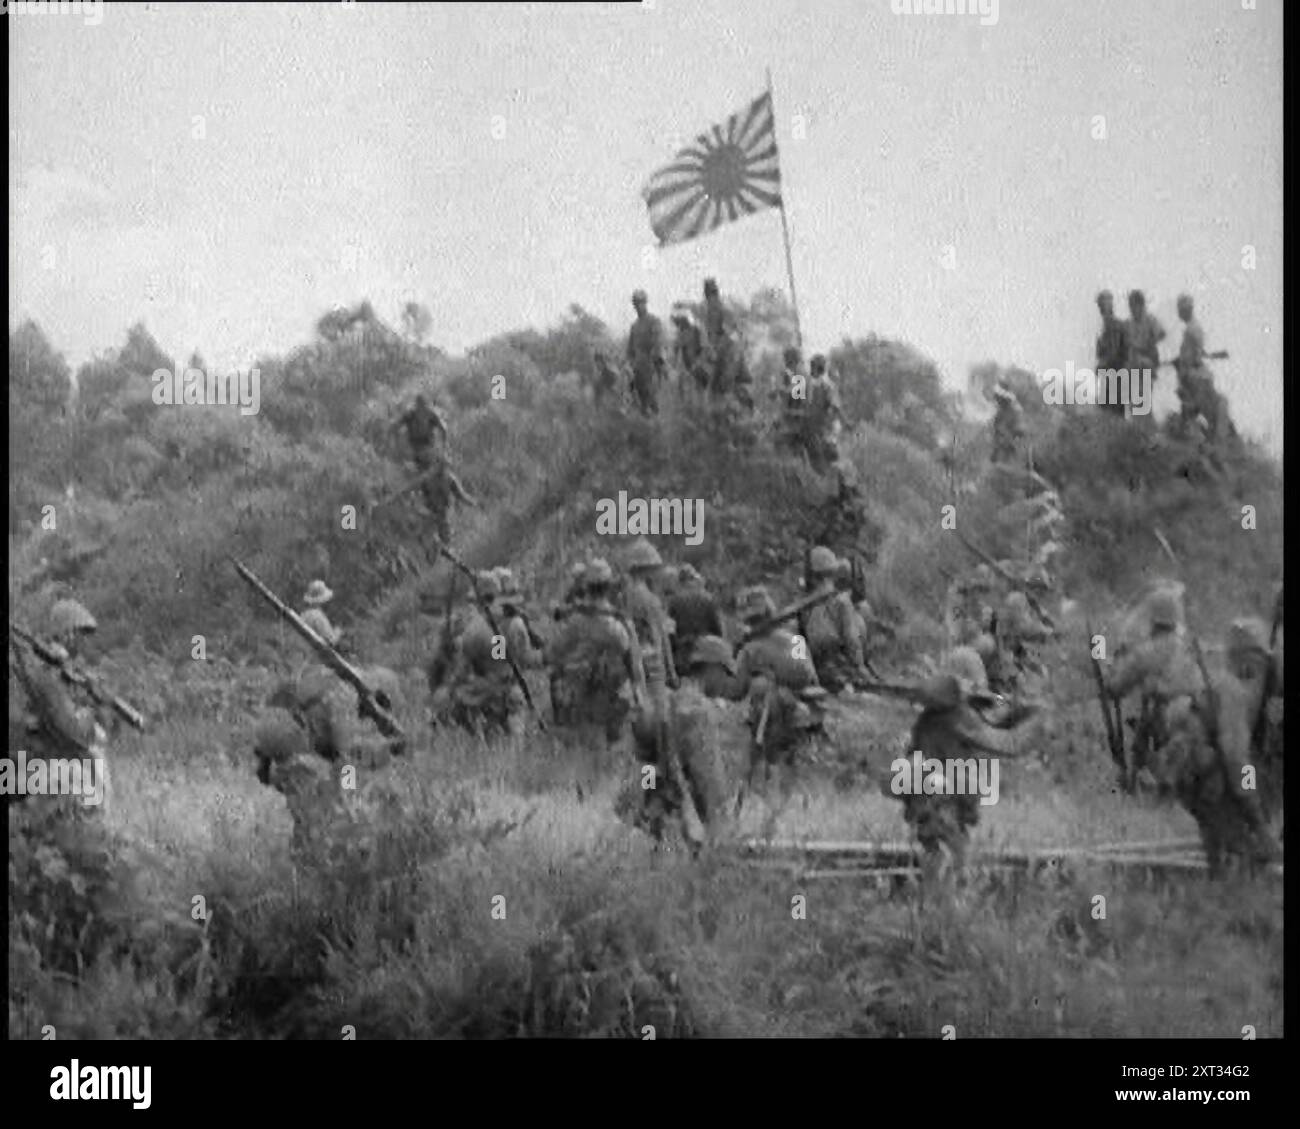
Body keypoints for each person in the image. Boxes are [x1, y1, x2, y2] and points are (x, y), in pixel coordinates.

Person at [892, 650, 1038, 882]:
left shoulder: (930, 718)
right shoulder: (959, 716)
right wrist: (1038, 722)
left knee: (936, 864)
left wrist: (1015, 714)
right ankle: (949, 910)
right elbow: (1007, 744)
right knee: (959, 869)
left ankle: (932, 907)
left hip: (926, 805)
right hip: (944, 807)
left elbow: (988, 723)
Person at [731, 584, 826, 799]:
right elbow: (812, 677)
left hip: (769, 713)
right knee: (789, 759)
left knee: (758, 757)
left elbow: (737, 690)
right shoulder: (796, 641)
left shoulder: (750, 649)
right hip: (803, 709)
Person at [547, 558, 641, 744]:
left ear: (587, 586)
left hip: (582, 700)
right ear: (608, 587)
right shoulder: (621, 623)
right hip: (616, 699)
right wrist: (638, 695)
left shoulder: (575, 621)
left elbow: (553, 654)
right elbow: (635, 666)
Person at [803, 546, 869, 693]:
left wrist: (802, 670)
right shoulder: (841, 601)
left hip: (812, 667)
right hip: (836, 664)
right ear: (833, 573)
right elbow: (852, 638)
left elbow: (797, 640)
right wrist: (860, 666)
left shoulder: (802, 604)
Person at [664, 563, 724, 674]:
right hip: (706, 651)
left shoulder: (673, 602)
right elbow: (718, 628)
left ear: (680, 582)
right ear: (694, 579)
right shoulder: (708, 599)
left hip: (682, 654)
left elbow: (670, 632)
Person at [626, 290, 667, 416]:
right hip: (638, 370)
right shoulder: (634, 326)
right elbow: (630, 350)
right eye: (636, 303)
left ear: (645, 303)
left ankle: (658, 429)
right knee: (641, 405)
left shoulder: (654, 321)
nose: (638, 306)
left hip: (652, 368)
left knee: (654, 403)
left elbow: (658, 344)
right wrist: (629, 366)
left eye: (641, 302)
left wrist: (658, 365)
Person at [1094, 290, 1129, 416]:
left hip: (1115, 375)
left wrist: (1102, 364)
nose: (1103, 309)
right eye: (1101, 305)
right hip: (1109, 376)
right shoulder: (1104, 328)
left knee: (1113, 413)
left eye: (1105, 304)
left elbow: (1113, 353)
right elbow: (1101, 353)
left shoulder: (1115, 326)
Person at [392, 393, 448, 471]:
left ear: (426, 405)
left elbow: (442, 429)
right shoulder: (410, 415)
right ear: (416, 406)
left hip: (428, 445)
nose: (421, 410)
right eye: (419, 406)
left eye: (423, 406)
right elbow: (395, 427)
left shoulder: (431, 415)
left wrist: (442, 448)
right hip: (413, 446)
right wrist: (398, 446)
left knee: (436, 463)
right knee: (415, 465)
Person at [1124, 290, 1166, 386]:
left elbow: (1162, 333)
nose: (1132, 309)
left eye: (1134, 306)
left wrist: (1151, 341)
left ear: (1141, 305)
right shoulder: (1129, 323)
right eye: (1131, 306)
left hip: (1147, 357)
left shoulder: (1149, 319)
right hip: (1134, 358)